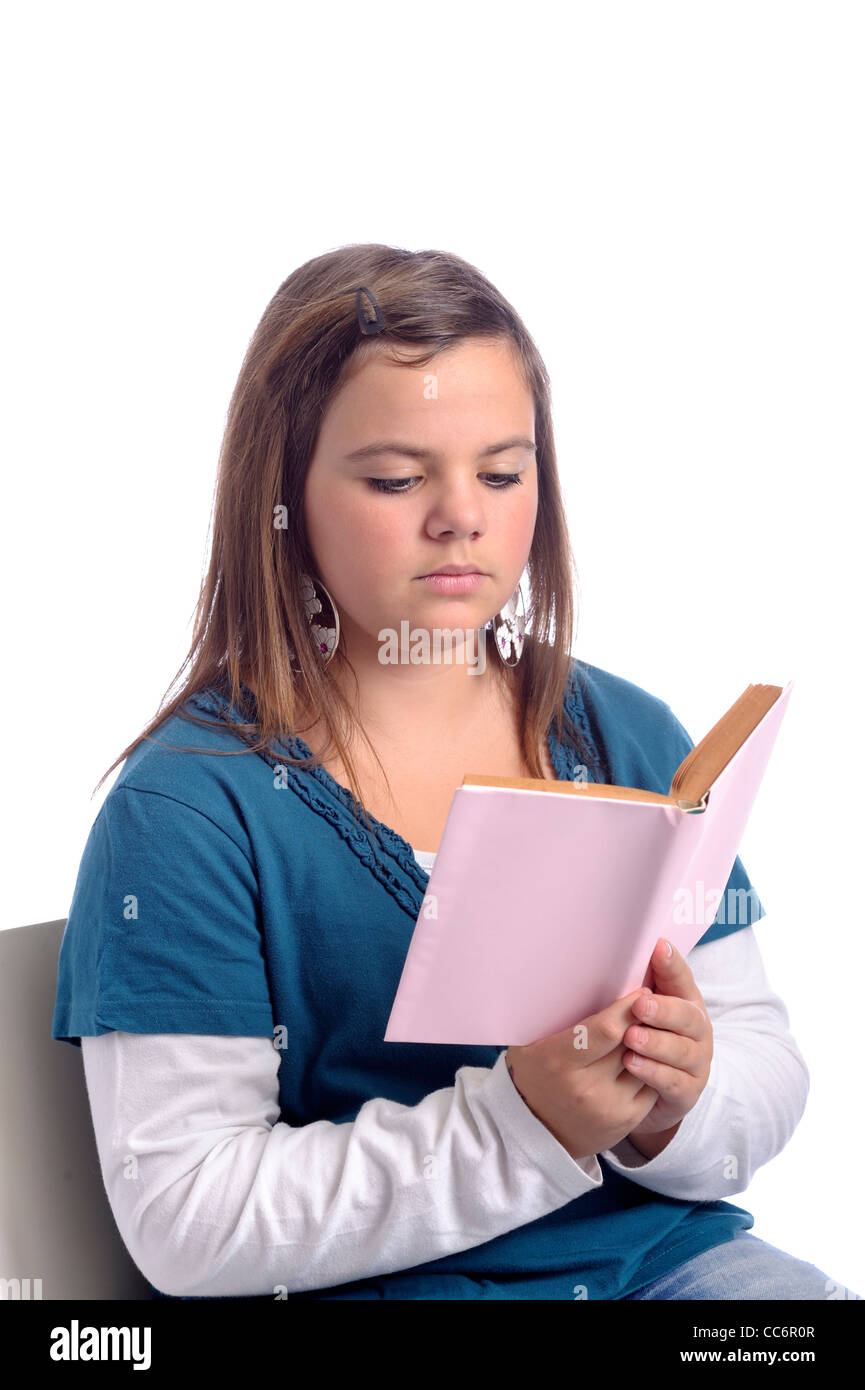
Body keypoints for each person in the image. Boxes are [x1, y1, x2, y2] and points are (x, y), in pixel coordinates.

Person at [52, 245, 859, 1301]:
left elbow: (762, 1052)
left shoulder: (628, 735)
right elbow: (189, 1217)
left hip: (663, 1270)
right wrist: (523, 1123)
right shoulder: (187, 813)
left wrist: (678, 1101)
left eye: (502, 470)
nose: (460, 517)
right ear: (281, 496)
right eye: (396, 477)